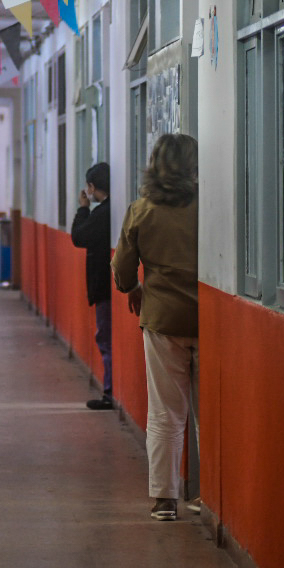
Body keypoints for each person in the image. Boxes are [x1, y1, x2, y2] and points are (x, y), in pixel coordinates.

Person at [112, 133, 200, 521]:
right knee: (207, 413)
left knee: (166, 410)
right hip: (211, 319)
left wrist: (133, 287)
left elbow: (121, 268)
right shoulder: (208, 206)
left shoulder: (141, 209)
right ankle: (209, 495)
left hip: (163, 319)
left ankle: (165, 499)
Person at [71, 162, 114, 411]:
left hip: (103, 286)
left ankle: (109, 393)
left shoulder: (101, 213)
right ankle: (109, 390)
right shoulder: (110, 211)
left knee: (105, 338)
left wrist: (83, 208)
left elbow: (78, 236)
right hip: (107, 285)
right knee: (105, 336)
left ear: (91, 187)